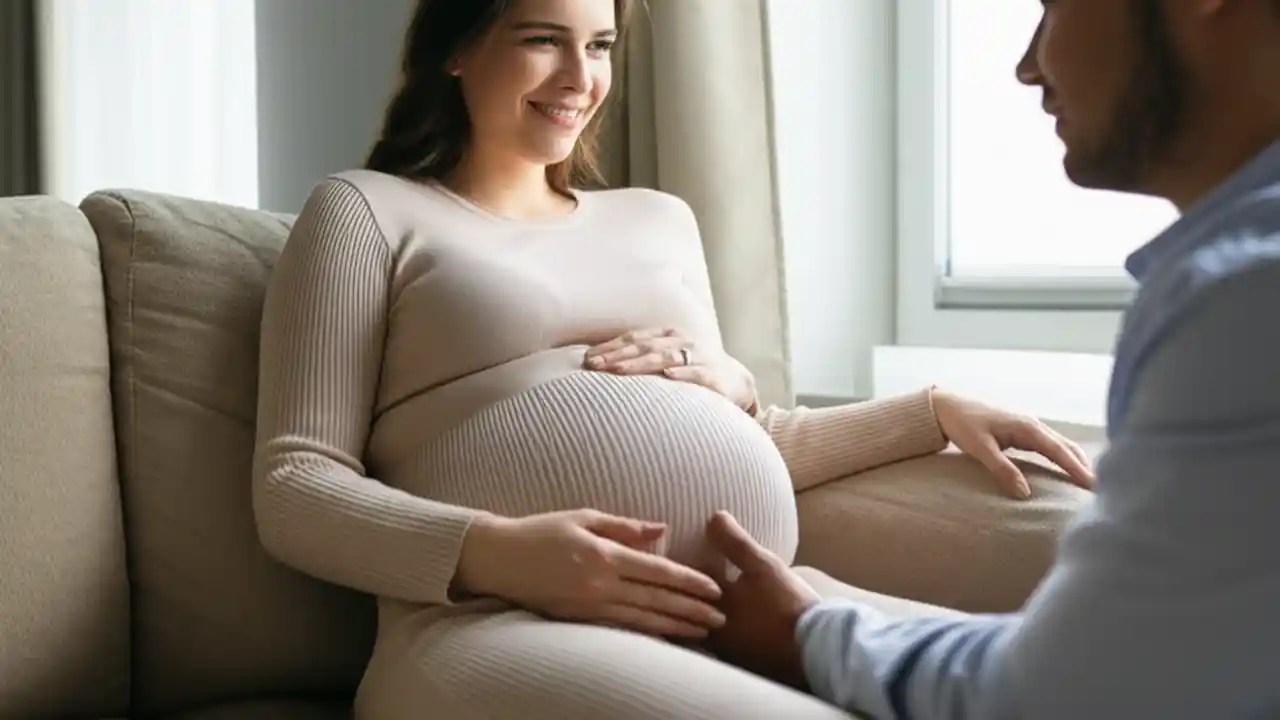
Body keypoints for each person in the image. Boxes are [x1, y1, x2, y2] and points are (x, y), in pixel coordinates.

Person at [252, 0, 1094, 717]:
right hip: (492, 623)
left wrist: (929, 411)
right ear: (457, 48)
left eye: (601, 44)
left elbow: (759, 440)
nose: (581, 78)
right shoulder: (367, 212)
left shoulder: (657, 219)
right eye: (543, 38)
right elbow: (295, 483)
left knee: (1047, 688)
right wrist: (498, 551)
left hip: (740, 606)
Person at [705, 0, 1280, 718]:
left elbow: (1069, 691)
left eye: (1054, 8)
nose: (1028, 66)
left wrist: (810, 634)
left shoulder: (1246, 299)